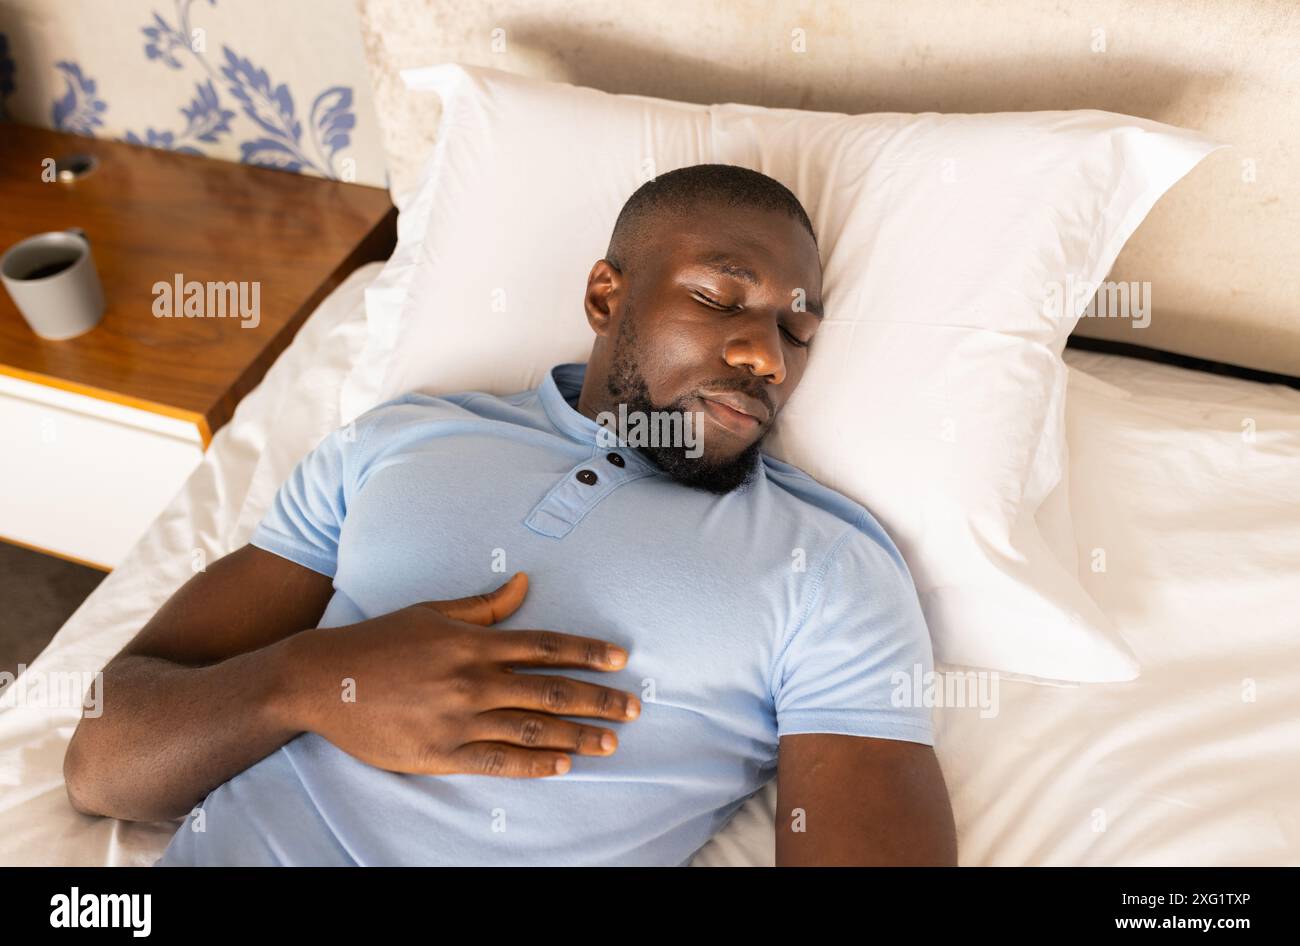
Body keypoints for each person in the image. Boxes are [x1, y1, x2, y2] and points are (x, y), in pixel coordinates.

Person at [64, 164, 957, 866]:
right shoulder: (402, 440)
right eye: (721, 299)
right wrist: (314, 679)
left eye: (796, 332)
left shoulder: (828, 568)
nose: (764, 354)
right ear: (606, 296)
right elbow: (103, 766)